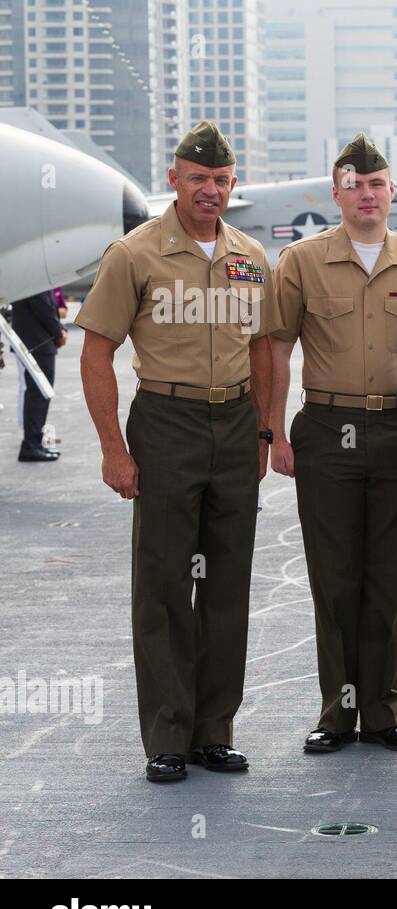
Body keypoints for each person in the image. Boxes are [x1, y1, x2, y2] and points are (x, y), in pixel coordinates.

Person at [78, 120, 280, 782]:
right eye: (198, 179)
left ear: (233, 184)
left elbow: (263, 349)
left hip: (234, 422)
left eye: (222, 180)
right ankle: (168, 735)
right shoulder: (134, 254)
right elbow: (97, 351)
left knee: (226, 583)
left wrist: (262, 431)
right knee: (164, 582)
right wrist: (114, 449)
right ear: (174, 180)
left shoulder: (250, 256)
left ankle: (213, 731)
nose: (211, 191)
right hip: (166, 422)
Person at [269, 133, 397, 755]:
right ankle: (337, 712)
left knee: (387, 575)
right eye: (354, 184)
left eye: (377, 184)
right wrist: (274, 431)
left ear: (391, 192)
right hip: (327, 429)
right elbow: (276, 347)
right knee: (333, 574)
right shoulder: (302, 261)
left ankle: (382, 711)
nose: (366, 194)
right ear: (337, 194)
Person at [11, 289, 67, 461]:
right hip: (38, 341)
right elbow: (44, 307)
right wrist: (58, 332)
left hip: (35, 340)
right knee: (38, 393)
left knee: (37, 393)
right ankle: (31, 445)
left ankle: (33, 443)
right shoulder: (33, 276)